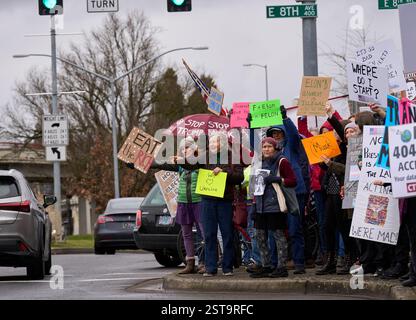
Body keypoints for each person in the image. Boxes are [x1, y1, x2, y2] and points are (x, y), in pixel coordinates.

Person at [181, 132, 244, 277]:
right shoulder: (205, 155)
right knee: (209, 234)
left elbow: (239, 177)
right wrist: (182, 159)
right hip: (207, 199)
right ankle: (210, 267)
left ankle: (228, 267)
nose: (212, 145)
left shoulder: (232, 156)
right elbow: (192, 165)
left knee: (227, 233)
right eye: (211, 142)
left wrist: (224, 172)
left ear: (222, 143)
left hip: (224, 200)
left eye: (215, 142)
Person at [150, 136, 205, 274]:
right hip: (183, 201)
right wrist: (143, 163)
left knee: (203, 232)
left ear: (194, 148)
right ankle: (190, 263)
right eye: (182, 149)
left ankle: (205, 262)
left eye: (186, 148)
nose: (184, 150)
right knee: (186, 233)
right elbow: (161, 164)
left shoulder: (201, 161)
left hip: (199, 200)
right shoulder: (179, 164)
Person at [265, 105, 307, 274]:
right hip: (276, 196)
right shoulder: (269, 153)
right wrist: (251, 125)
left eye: (278, 134)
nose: (276, 137)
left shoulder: (292, 147)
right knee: (275, 231)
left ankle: (299, 263)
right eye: (273, 135)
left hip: (295, 192)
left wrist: (285, 119)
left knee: (295, 229)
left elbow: (294, 135)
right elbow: (255, 147)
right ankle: (276, 264)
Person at [250, 137, 297, 278]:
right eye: (264, 147)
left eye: (269, 146)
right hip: (260, 205)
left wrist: (278, 179)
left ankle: (281, 267)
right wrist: (253, 205)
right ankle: (266, 265)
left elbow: (293, 180)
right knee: (260, 236)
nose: (266, 149)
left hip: (275, 205)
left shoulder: (282, 161)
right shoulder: (259, 163)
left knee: (278, 236)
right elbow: (255, 186)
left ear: (275, 147)